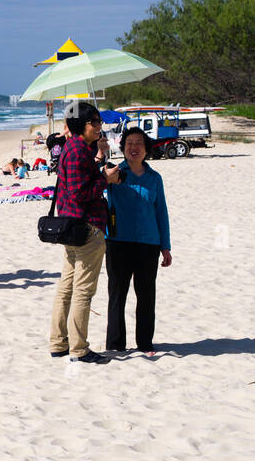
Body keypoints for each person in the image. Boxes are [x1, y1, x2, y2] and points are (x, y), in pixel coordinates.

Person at [48, 101, 120, 363]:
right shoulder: (78, 150)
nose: (99, 127)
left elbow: (76, 184)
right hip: (86, 226)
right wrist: (106, 179)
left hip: (72, 226)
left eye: (100, 122)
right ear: (82, 125)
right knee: (82, 290)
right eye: (95, 123)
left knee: (67, 287)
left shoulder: (75, 148)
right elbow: (80, 193)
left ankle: (59, 342)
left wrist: (99, 160)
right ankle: (79, 348)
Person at [104, 127, 172, 356]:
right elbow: (96, 185)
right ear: (123, 148)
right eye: (130, 143)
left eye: (139, 143)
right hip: (117, 240)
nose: (134, 147)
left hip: (148, 243)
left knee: (146, 295)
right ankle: (115, 344)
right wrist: (105, 171)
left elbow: (161, 212)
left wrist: (166, 246)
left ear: (146, 149)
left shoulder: (155, 178)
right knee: (117, 294)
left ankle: (145, 343)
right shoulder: (113, 172)